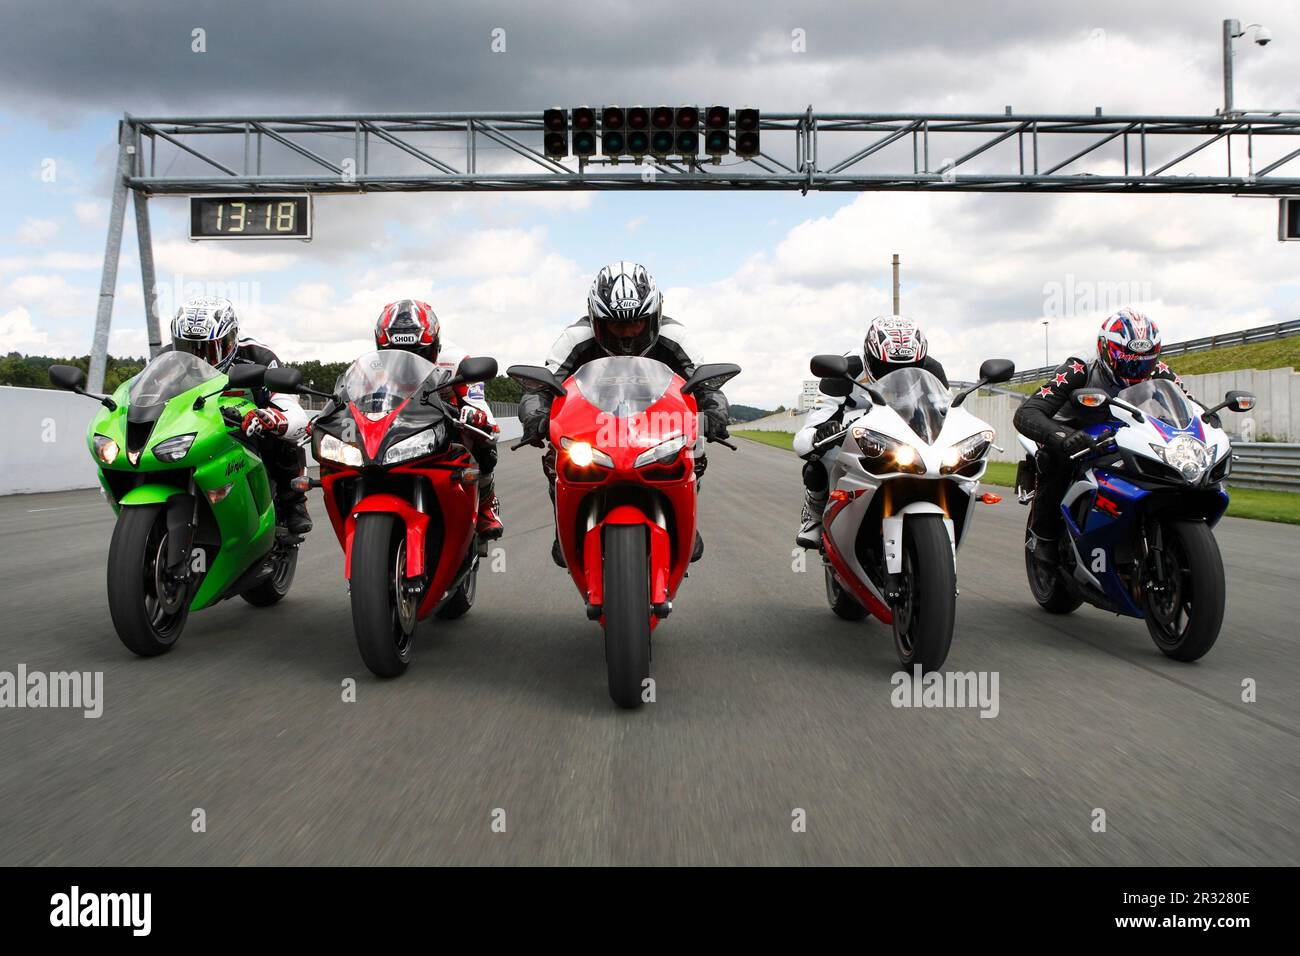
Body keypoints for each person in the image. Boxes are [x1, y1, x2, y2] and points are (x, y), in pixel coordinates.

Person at [518, 261, 731, 567]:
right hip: (592, 423)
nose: (628, 332)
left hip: (660, 423)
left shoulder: (676, 336)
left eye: (638, 323)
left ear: (654, 316)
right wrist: (535, 415)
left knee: (693, 451)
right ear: (596, 320)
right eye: (616, 325)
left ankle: (685, 519)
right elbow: (542, 385)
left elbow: (706, 384)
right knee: (557, 460)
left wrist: (715, 412)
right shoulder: (575, 338)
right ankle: (563, 525)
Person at [1013, 308, 1211, 566]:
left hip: (1122, 428)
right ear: (1105, 348)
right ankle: (1043, 537)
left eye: (1144, 359)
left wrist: (1209, 418)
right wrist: (1062, 436)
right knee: (1057, 460)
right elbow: (1028, 412)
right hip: (1071, 428)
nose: (1136, 367)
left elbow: (1189, 404)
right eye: (1127, 359)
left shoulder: (1158, 370)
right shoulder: (1079, 367)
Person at [792, 315, 949, 549]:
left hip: (908, 432)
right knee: (817, 460)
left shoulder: (932, 370)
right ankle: (814, 513)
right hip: (856, 433)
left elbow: (947, 412)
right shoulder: (845, 369)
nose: (896, 373)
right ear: (869, 356)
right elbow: (805, 436)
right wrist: (820, 435)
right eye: (887, 366)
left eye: (909, 366)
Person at [166, 296, 313, 534]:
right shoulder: (168, 358)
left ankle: (292, 503)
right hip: (195, 427)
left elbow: (292, 409)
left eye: (209, 349)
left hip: (249, 427)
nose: (199, 360)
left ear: (231, 339)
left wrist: (274, 418)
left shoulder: (260, 356)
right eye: (188, 349)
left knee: (282, 439)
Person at [373, 298, 503, 538]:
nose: (407, 360)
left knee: (485, 439)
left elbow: (482, 409)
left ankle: (486, 503)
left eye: (418, 353)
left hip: (444, 426)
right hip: (396, 431)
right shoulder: (373, 367)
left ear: (435, 345)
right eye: (397, 353)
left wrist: (477, 416)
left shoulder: (457, 361)